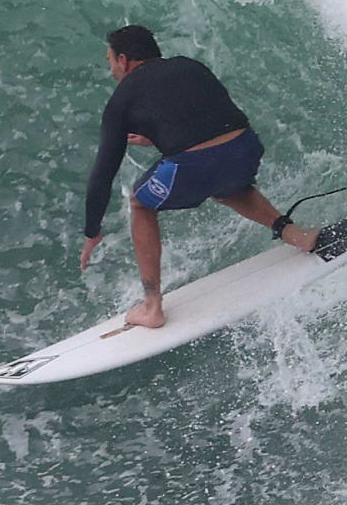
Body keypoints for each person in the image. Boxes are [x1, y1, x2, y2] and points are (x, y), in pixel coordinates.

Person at [77, 25, 316, 329]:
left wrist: (91, 231)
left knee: (140, 202)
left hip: (198, 164)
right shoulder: (190, 66)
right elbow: (210, 119)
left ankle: (152, 306)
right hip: (246, 147)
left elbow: (102, 174)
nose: (111, 69)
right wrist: (158, 135)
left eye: (109, 61)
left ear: (123, 60)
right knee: (227, 186)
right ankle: (296, 234)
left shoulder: (121, 99)